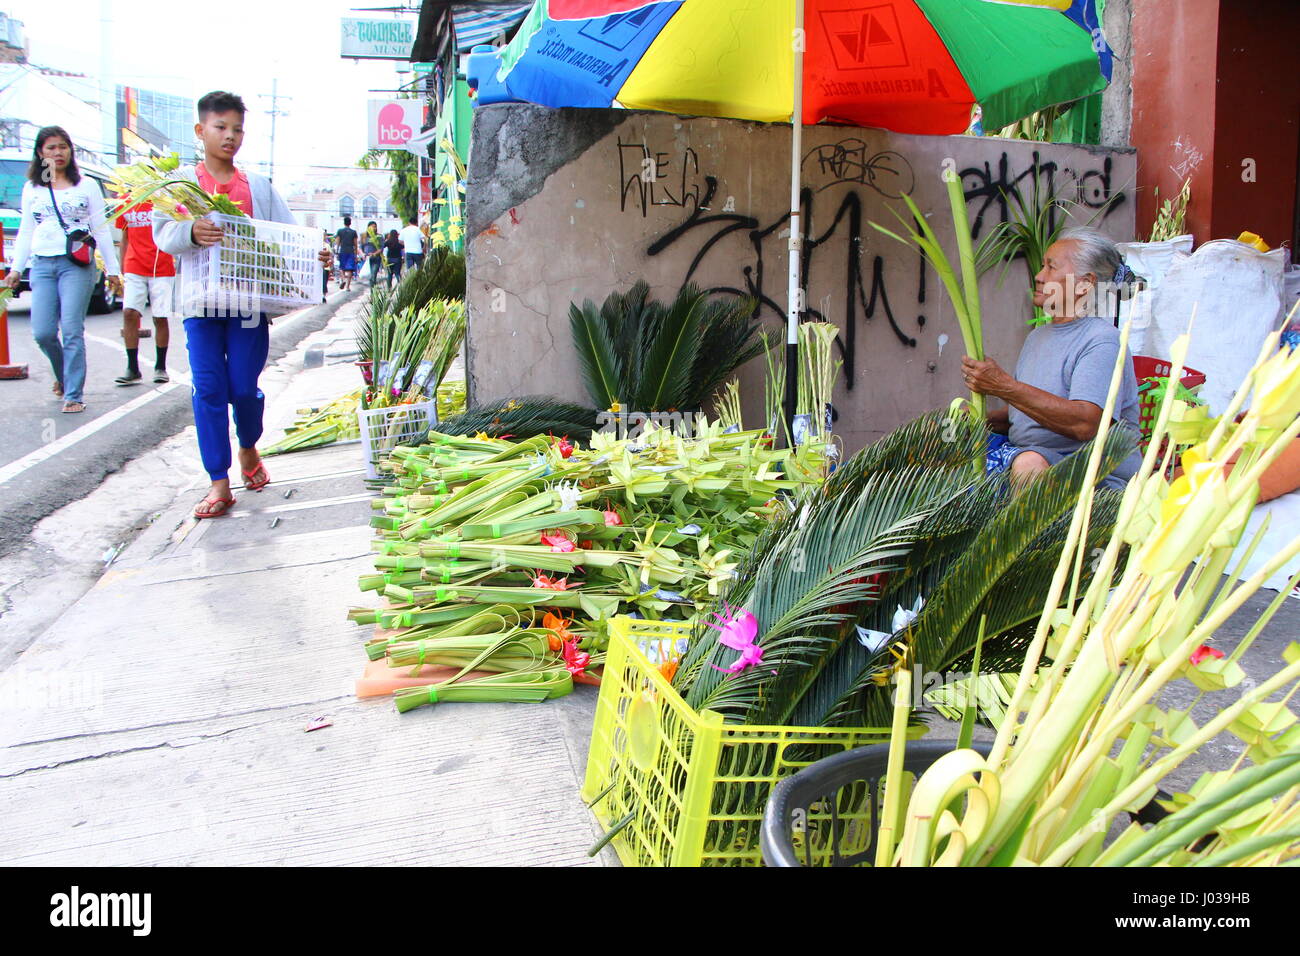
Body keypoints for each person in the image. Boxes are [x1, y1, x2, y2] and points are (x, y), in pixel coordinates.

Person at [153, 91, 332, 519]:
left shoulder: (258, 188)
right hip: (200, 306)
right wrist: (191, 232)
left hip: (249, 305)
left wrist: (316, 255)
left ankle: (248, 448)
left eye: (236, 130)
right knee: (209, 389)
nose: (229, 136)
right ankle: (218, 483)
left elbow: (285, 236)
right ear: (201, 131)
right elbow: (163, 234)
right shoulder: (182, 186)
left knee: (242, 388)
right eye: (220, 128)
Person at [963, 227, 1142, 490]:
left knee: (1028, 463)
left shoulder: (1101, 340)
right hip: (1031, 458)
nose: (1039, 276)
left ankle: (1022, 533)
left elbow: (1085, 423)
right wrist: (982, 420)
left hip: (1089, 474)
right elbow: (1027, 415)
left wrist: (1003, 386)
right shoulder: (1038, 337)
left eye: (1051, 267)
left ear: (1085, 283)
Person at [5, 126, 123, 413]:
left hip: (77, 265)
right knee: (43, 332)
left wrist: (112, 270)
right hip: (42, 264)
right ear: (40, 153)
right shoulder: (33, 187)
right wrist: (16, 269)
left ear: (70, 151)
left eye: (63, 147)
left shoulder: (86, 185)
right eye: (51, 148)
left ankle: (74, 394)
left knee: (71, 329)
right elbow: (25, 230)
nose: (58, 153)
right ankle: (62, 375)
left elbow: (101, 230)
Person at [113, 198, 173, 385]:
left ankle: (160, 367)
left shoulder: (166, 200)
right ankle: (132, 368)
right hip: (134, 266)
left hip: (161, 267)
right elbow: (125, 237)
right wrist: (122, 267)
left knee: (160, 317)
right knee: (129, 312)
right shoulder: (125, 201)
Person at [334, 215, 357, 290]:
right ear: (350, 223)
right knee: (350, 269)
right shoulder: (353, 232)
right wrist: (356, 255)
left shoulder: (340, 231)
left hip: (343, 251)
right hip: (351, 251)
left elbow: (337, 242)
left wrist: (337, 252)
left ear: (344, 223)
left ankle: (343, 279)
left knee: (342, 267)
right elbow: (355, 244)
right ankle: (347, 286)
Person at [361, 220, 381, 286]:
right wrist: (362, 254)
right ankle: (372, 289)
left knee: (373, 275)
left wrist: (374, 254)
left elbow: (381, 249)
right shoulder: (364, 237)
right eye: (372, 227)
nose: (374, 228)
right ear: (368, 228)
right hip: (367, 259)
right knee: (369, 275)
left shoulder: (379, 237)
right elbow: (361, 247)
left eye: (375, 227)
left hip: (376, 258)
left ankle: (373, 291)